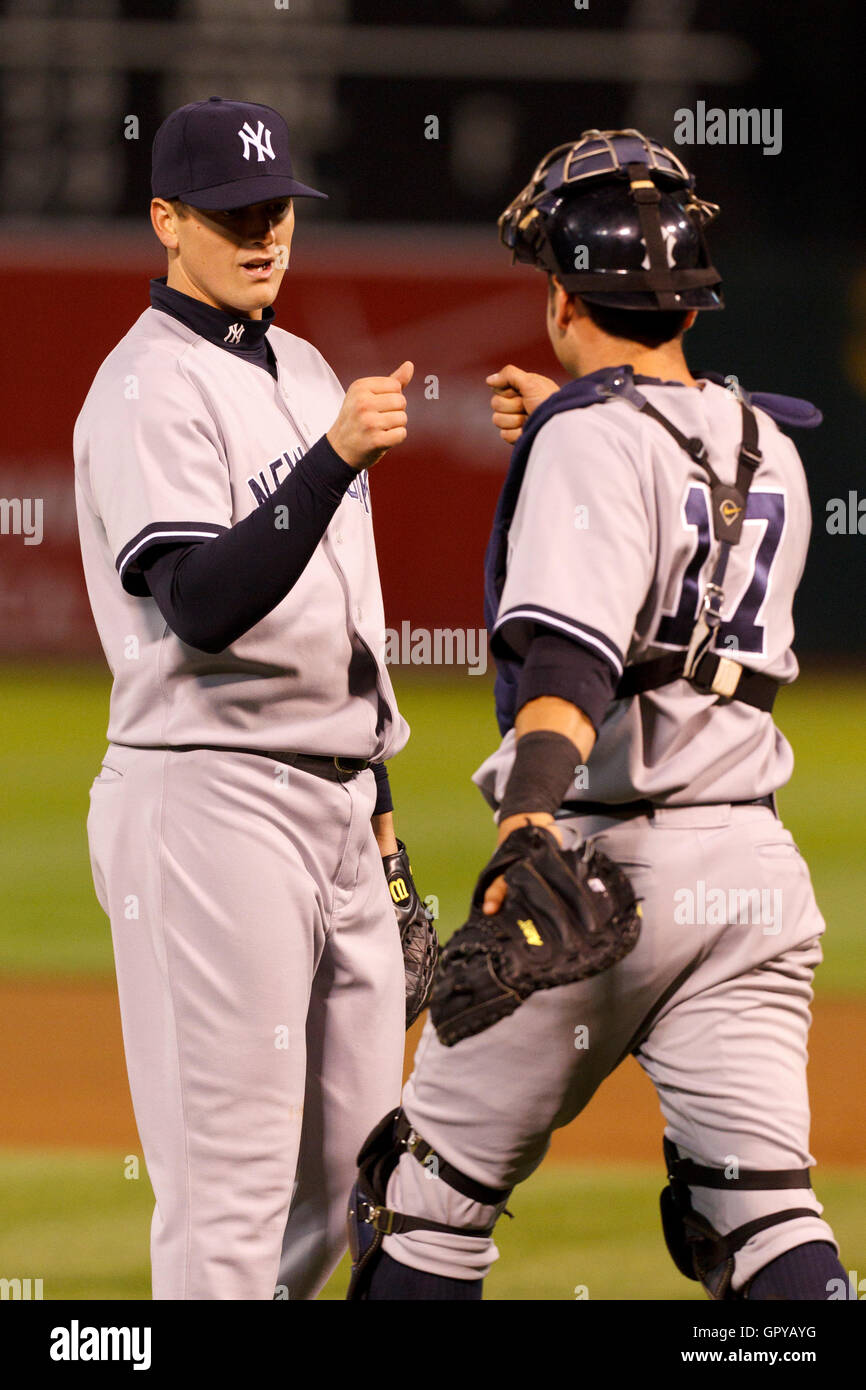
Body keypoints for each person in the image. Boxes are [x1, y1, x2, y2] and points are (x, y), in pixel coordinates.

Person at [346, 129, 846, 1302]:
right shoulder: (767, 437)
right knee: (760, 1216)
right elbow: (666, 481)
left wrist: (523, 830)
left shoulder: (585, 438)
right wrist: (579, 413)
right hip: (753, 881)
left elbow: (572, 661)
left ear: (565, 295)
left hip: (606, 869)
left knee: (421, 1199)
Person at [74, 96, 427, 1300]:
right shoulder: (143, 388)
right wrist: (331, 460)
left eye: (276, 207)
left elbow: (346, 629)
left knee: (352, 1178)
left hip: (333, 803)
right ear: (167, 221)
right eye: (232, 213)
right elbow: (202, 603)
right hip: (210, 802)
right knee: (227, 1201)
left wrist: (380, 822)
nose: (263, 231)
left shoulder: (304, 363)